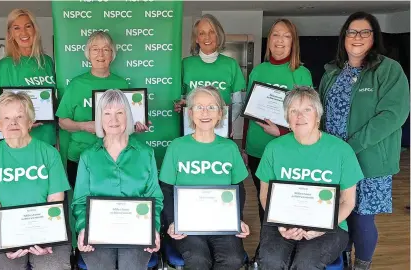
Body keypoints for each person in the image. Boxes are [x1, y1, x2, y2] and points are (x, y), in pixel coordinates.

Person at [319, 12, 410, 270]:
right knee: (339, 217)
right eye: (352, 32)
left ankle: (362, 265)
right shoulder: (332, 72)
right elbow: (321, 112)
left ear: (374, 37)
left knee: (361, 219)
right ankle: (343, 260)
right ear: (343, 37)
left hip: (369, 161)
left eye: (364, 32)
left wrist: (351, 147)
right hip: (334, 159)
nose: (357, 37)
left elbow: (393, 115)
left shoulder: (388, 70)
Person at [255, 87, 363, 270]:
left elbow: (347, 201)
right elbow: (265, 196)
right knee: (271, 261)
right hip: (281, 223)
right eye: (293, 111)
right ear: (287, 118)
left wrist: (322, 227)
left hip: (330, 227)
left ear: (318, 116)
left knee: (305, 264)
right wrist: (281, 225)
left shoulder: (341, 151)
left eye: (307, 109)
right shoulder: (274, 148)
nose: (300, 116)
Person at [241, 18, 313, 262]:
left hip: (287, 150)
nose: (279, 41)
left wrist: (281, 133)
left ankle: (290, 247)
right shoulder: (259, 71)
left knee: (286, 201)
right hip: (257, 150)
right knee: (264, 204)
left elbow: (309, 117)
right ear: (268, 40)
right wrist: (243, 146)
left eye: (286, 36)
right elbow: (249, 113)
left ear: (293, 42)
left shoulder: (301, 73)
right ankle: (267, 247)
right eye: (275, 35)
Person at [0, 92, 71, 270]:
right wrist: (6, 241)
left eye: (20, 117)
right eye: (6, 118)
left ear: (30, 122)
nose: (13, 123)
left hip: (46, 227)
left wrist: (48, 236)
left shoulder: (49, 153)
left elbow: (55, 201)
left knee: (54, 266)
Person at [71, 89, 163, 270]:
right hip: (98, 232)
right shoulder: (88, 156)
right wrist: (83, 228)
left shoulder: (146, 154)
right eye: (107, 114)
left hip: (137, 231)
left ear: (128, 116)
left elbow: (155, 197)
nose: (113, 120)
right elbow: (80, 201)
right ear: (100, 119)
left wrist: (154, 227)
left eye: (119, 113)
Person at [160, 87, 250, 270]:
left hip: (222, 223)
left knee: (233, 259)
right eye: (199, 107)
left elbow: (238, 188)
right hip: (187, 223)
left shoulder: (229, 148)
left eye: (211, 107)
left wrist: (236, 219)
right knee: (198, 259)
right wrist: (171, 222)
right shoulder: (177, 147)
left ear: (220, 113)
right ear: (190, 113)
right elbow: (166, 189)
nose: (205, 113)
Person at [56, 31, 147, 188]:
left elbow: (125, 122)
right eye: (95, 49)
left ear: (112, 54)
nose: (100, 54)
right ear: (88, 54)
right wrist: (84, 126)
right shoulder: (76, 85)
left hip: (115, 157)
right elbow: (63, 122)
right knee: (84, 205)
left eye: (106, 49)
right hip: (80, 156)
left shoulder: (122, 84)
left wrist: (136, 126)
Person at [0, 8, 57, 147]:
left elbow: (54, 99)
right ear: (10, 34)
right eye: (16, 28)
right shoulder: (5, 65)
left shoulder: (47, 62)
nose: (23, 33)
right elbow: (3, 105)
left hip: (48, 138)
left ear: (35, 29)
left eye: (28, 26)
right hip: (20, 140)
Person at [174, 14, 245, 113]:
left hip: (222, 126)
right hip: (192, 126)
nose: (207, 37)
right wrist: (179, 106)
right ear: (196, 39)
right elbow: (180, 99)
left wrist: (224, 123)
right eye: (201, 33)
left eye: (211, 32)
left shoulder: (231, 65)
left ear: (218, 35)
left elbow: (238, 103)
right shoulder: (185, 64)